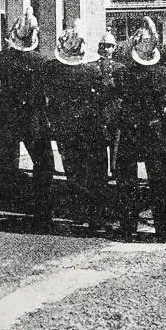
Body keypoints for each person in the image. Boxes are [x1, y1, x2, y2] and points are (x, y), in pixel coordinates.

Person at [45, 21, 109, 234]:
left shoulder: (53, 71)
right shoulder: (91, 72)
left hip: (66, 129)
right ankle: (95, 216)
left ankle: (78, 212)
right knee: (96, 173)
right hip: (91, 130)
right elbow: (104, 97)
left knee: (74, 172)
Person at [115, 18, 166, 242]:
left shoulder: (123, 74)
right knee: (160, 183)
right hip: (156, 131)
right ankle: (163, 231)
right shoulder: (165, 74)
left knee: (127, 182)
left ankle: (128, 228)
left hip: (131, 131)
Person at [0, 7, 56, 229]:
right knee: (44, 164)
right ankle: (42, 212)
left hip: (9, 117)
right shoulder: (41, 62)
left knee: (7, 162)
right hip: (34, 118)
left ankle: (9, 203)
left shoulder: (3, 58)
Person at [96, 31, 126, 178]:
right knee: (100, 141)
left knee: (116, 141)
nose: (106, 49)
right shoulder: (93, 67)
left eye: (109, 46)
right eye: (104, 46)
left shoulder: (120, 68)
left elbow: (123, 90)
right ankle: (101, 171)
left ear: (114, 48)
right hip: (99, 109)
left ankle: (115, 170)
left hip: (115, 108)